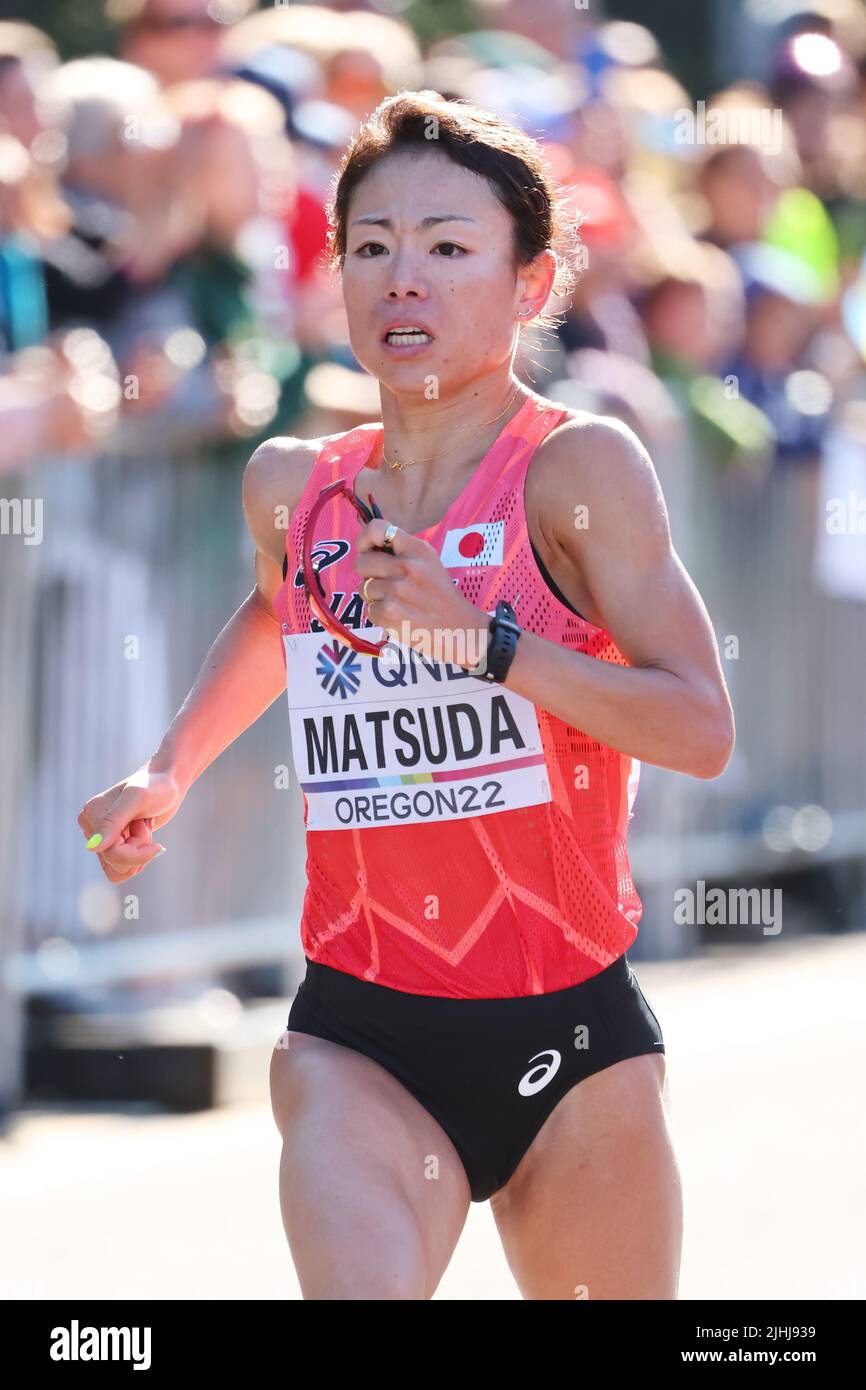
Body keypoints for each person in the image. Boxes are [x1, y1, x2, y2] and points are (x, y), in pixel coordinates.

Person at [78, 92, 735, 1300]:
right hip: (357, 1034)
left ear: (529, 284)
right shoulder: (297, 487)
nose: (402, 282)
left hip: (570, 1038)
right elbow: (282, 615)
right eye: (372, 247)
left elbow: (697, 726)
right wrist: (170, 766)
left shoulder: (574, 470)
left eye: (446, 248)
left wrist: (483, 645)